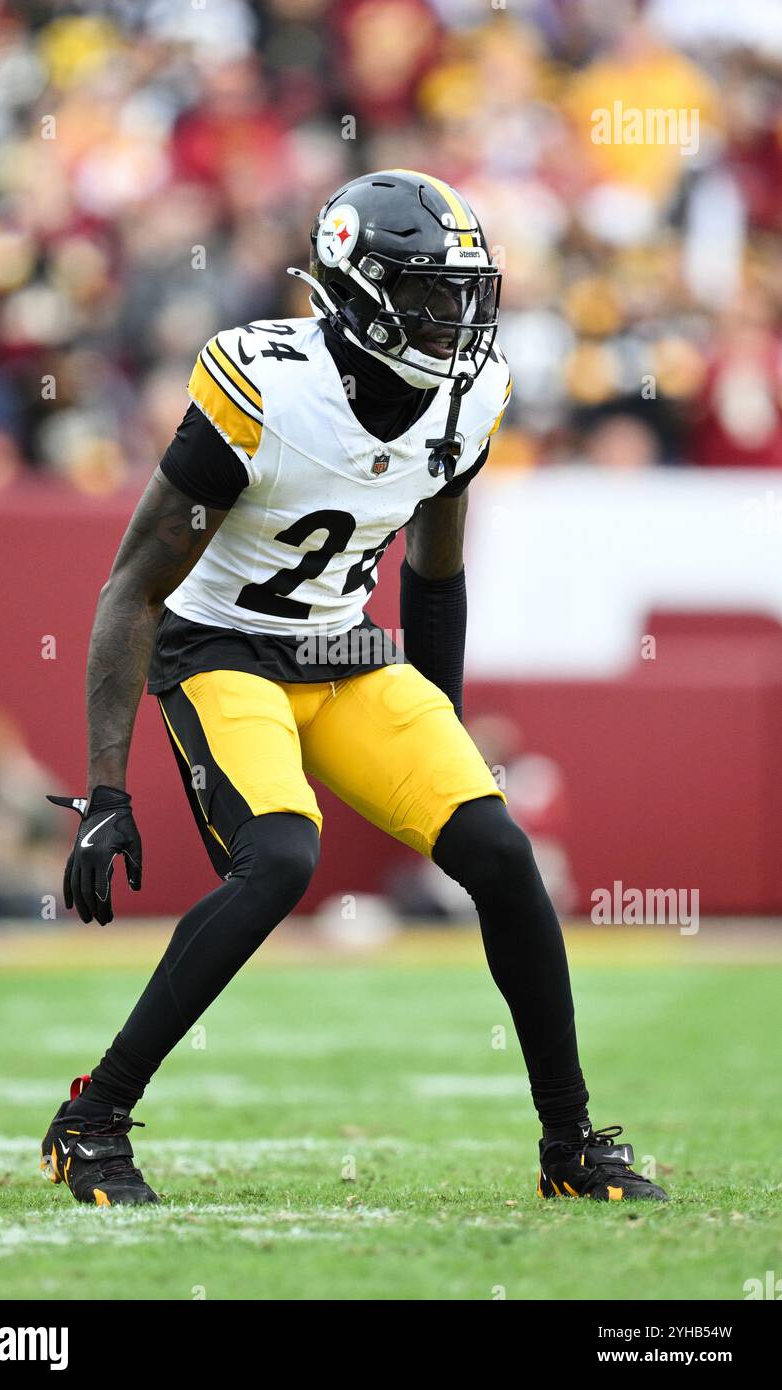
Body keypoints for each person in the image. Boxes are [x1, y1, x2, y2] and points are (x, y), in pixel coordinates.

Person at [42, 170, 667, 1206]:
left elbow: (433, 566)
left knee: (500, 852)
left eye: (465, 293)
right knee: (282, 856)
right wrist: (106, 789)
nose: (455, 319)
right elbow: (131, 587)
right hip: (221, 648)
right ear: (357, 293)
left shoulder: (471, 395)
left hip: (344, 655)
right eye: (428, 295)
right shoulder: (267, 385)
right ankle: (94, 1118)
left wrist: (441, 730)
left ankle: (570, 1145)